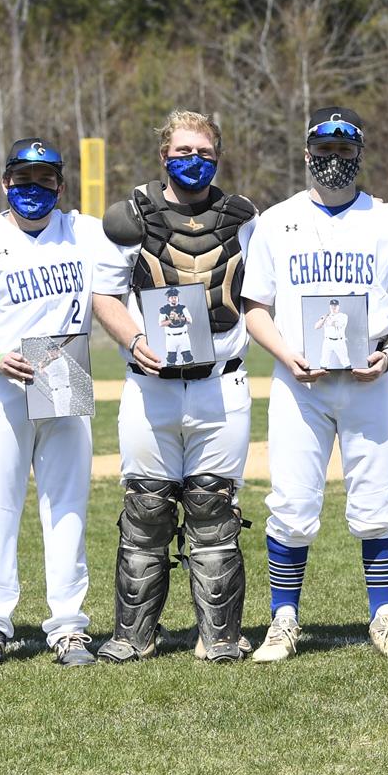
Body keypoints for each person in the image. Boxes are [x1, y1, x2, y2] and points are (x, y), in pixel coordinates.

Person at [243, 108, 388, 661]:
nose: (333, 159)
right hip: (299, 383)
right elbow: (255, 308)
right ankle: (283, 619)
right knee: (293, 504)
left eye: (345, 150)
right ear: (306, 153)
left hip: (369, 379)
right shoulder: (276, 221)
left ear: (360, 155)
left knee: (377, 503)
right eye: (324, 148)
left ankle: (385, 617)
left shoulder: (387, 220)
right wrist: (286, 354)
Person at [90, 111, 257, 664]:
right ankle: (133, 636)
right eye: (183, 150)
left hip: (219, 385)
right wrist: (134, 338)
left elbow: (258, 298)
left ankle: (220, 638)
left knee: (214, 506)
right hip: (150, 384)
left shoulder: (243, 218)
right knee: (146, 508)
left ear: (218, 155)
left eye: (204, 152)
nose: (194, 160)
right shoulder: (129, 216)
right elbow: (106, 295)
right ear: (163, 155)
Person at [0, 138, 105, 668]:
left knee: (67, 508)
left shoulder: (83, 232)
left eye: (45, 179)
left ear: (60, 185)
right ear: (5, 182)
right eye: (23, 178)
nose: (33, 189)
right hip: (3, 386)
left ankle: (69, 628)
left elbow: (134, 233)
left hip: (66, 378)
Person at [159, 290, 194, 366]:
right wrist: (171, 320)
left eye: (175, 297)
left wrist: (180, 318)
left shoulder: (182, 308)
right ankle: (171, 375)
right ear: (168, 299)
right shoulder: (164, 309)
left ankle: (191, 373)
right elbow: (161, 323)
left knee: (187, 356)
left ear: (178, 298)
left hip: (183, 336)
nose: (174, 299)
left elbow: (190, 321)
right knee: (171, 357)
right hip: (171, 337)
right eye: (171, 297)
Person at [318, 299, 352, 369]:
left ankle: (350, 377)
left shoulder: (343, 316)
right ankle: (322, 378)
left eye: (335, 306)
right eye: (332, 306)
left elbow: (336, 324)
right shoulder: (325, 316)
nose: (334, 307)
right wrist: (324, 319)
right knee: (324, 361)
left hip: (339, 341)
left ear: (338, 307)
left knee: (345, 361)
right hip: (327, 341)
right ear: (330, 307)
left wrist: (328, 319)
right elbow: (316, 326)